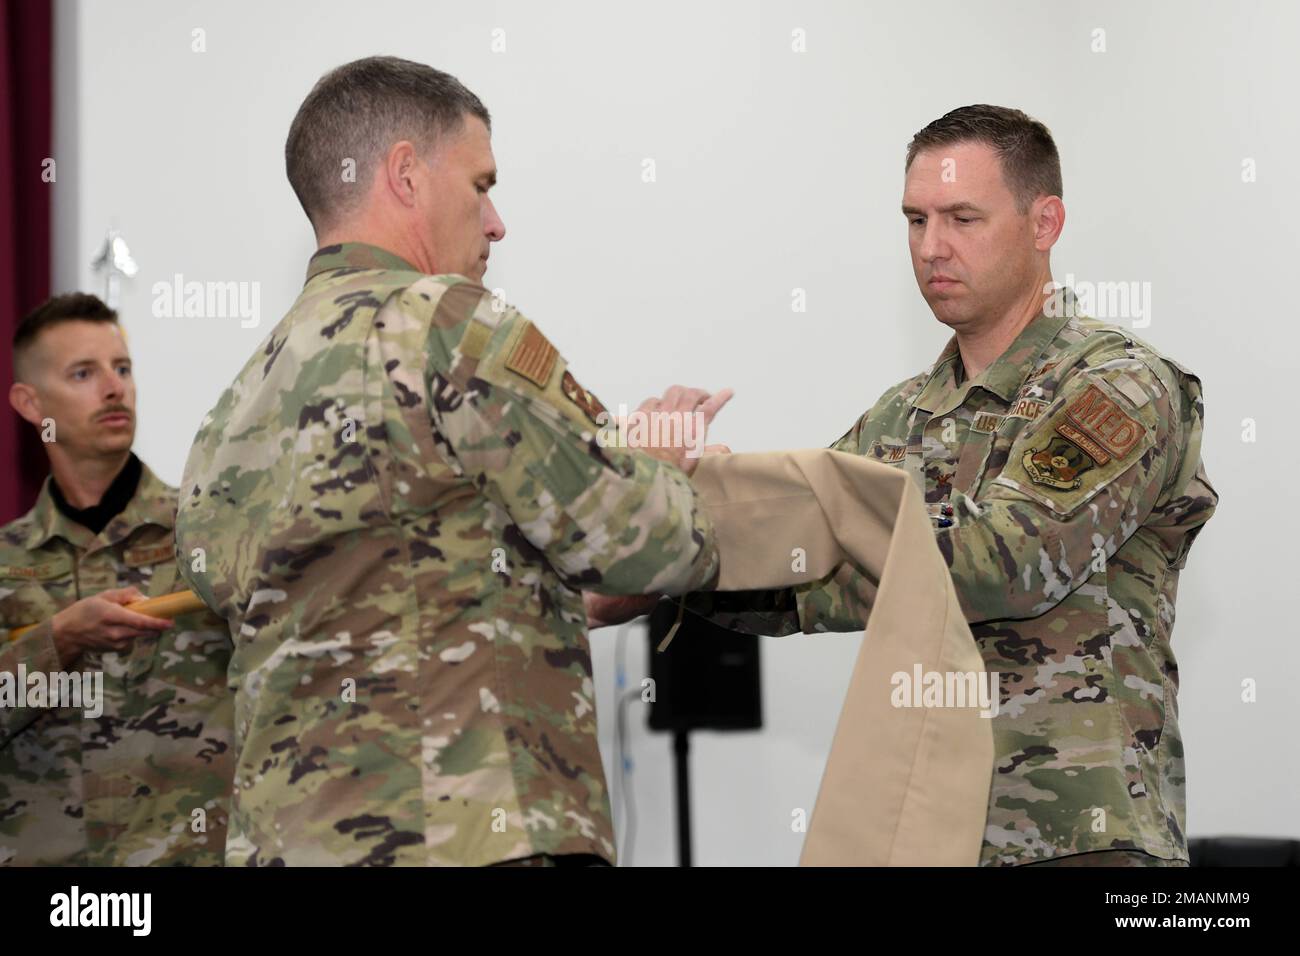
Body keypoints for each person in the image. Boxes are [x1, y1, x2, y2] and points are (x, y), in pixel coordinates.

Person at [590, 105, 1218, 867]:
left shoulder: (1116, 384)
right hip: (930, 832)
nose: (932, 248)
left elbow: (1007, 561)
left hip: (1081, 837)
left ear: (1044, 222)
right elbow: (795, 573)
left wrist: (782, 524)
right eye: (915, 220)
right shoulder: (905, 413)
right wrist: (667, 506)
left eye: (962, 218)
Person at [175, 55, 728, 867]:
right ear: (405, 174)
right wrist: (657, 463)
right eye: (480, 185)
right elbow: (652, 538)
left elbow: (372, 613)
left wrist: (567, 601)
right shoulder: (446, 323)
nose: (497, 221)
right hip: (465, 832)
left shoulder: (236, 402)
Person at [0, 292, 234, 866]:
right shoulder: (5, 562)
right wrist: (57, 641)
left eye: (122, 368)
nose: (114, 388)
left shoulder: (210, 530)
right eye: (84, 372)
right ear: (30, 404)